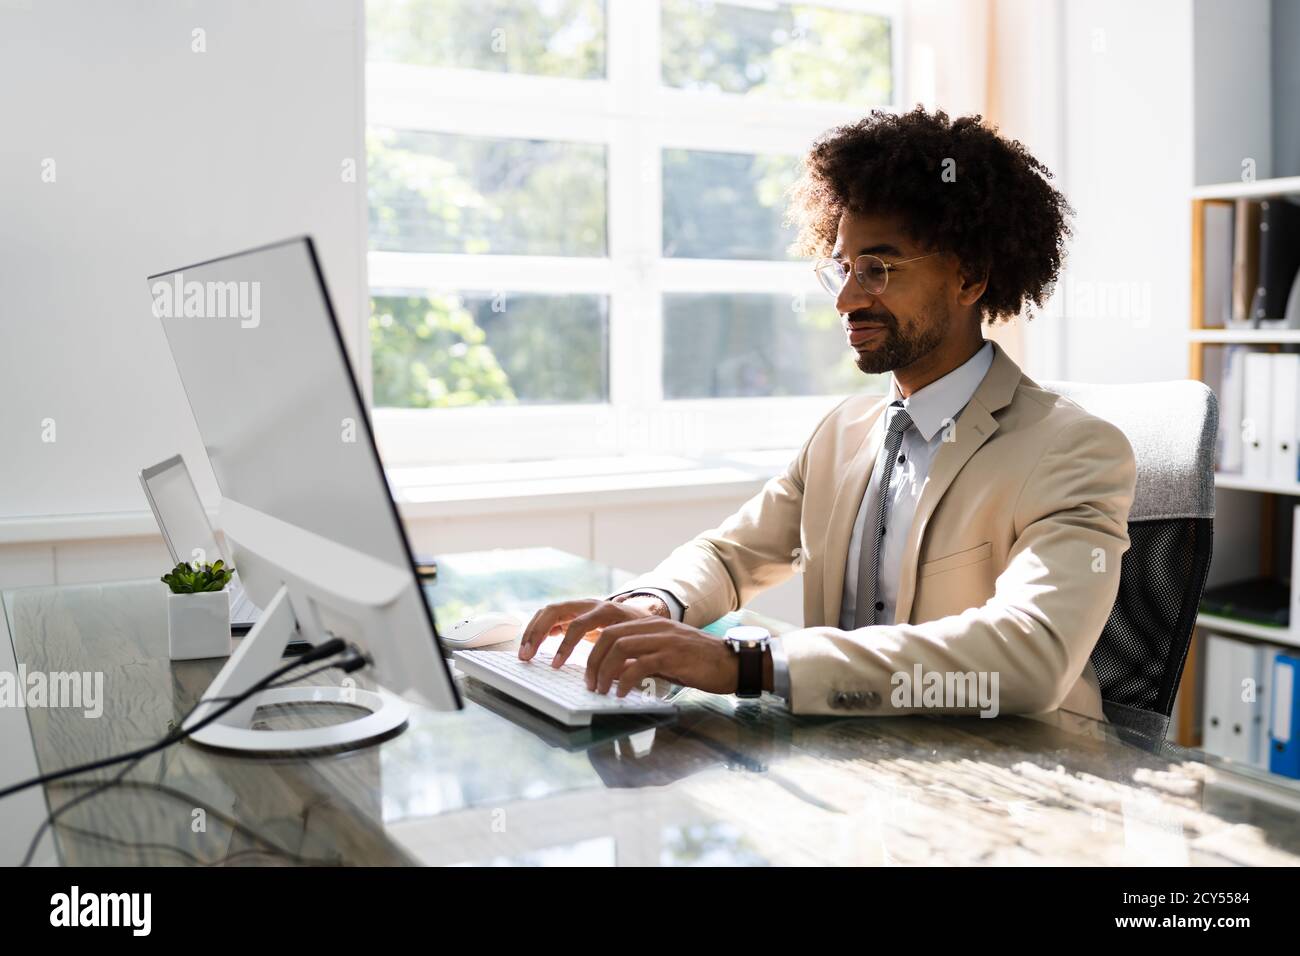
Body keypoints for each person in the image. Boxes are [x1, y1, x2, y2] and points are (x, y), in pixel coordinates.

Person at [519, 107, 1136, 720]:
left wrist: (751, 664)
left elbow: (1031, 656)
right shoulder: (843, 433)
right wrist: (655, 605)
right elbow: (732, 555)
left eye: (878, 270)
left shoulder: (1074, 449)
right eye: (842, 268)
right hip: (858, 772)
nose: (846, 299)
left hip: (1016, 788)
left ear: (970, 277)